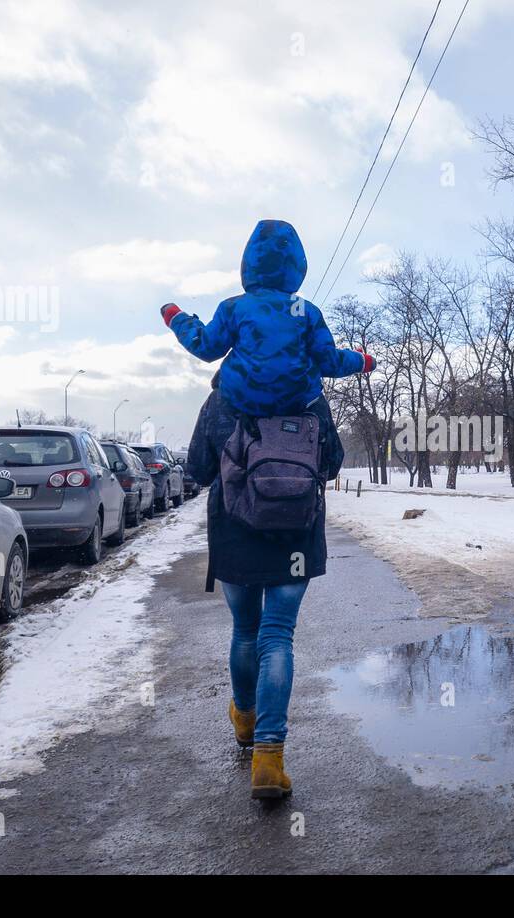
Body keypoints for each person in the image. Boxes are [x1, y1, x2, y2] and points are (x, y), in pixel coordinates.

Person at [185, 363, 351, 801]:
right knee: (277, 637)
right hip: (295, 533)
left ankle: (244, 717)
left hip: (235, 530)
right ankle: (269, 760)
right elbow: (332, 464)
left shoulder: (222, 398)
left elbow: (199, 469)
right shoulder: (309, 395)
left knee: (246, 631)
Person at [162, 219, 374, 417]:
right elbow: (329, 362)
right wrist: (361, 361)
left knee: (208, 429)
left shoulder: (234, 307)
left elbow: (207, 348)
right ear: (297, 265)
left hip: (238, 405)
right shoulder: (303, 309)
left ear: (249, 263)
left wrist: (177, 318)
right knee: (330, 449)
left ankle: (204, 459)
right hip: (300, 406)